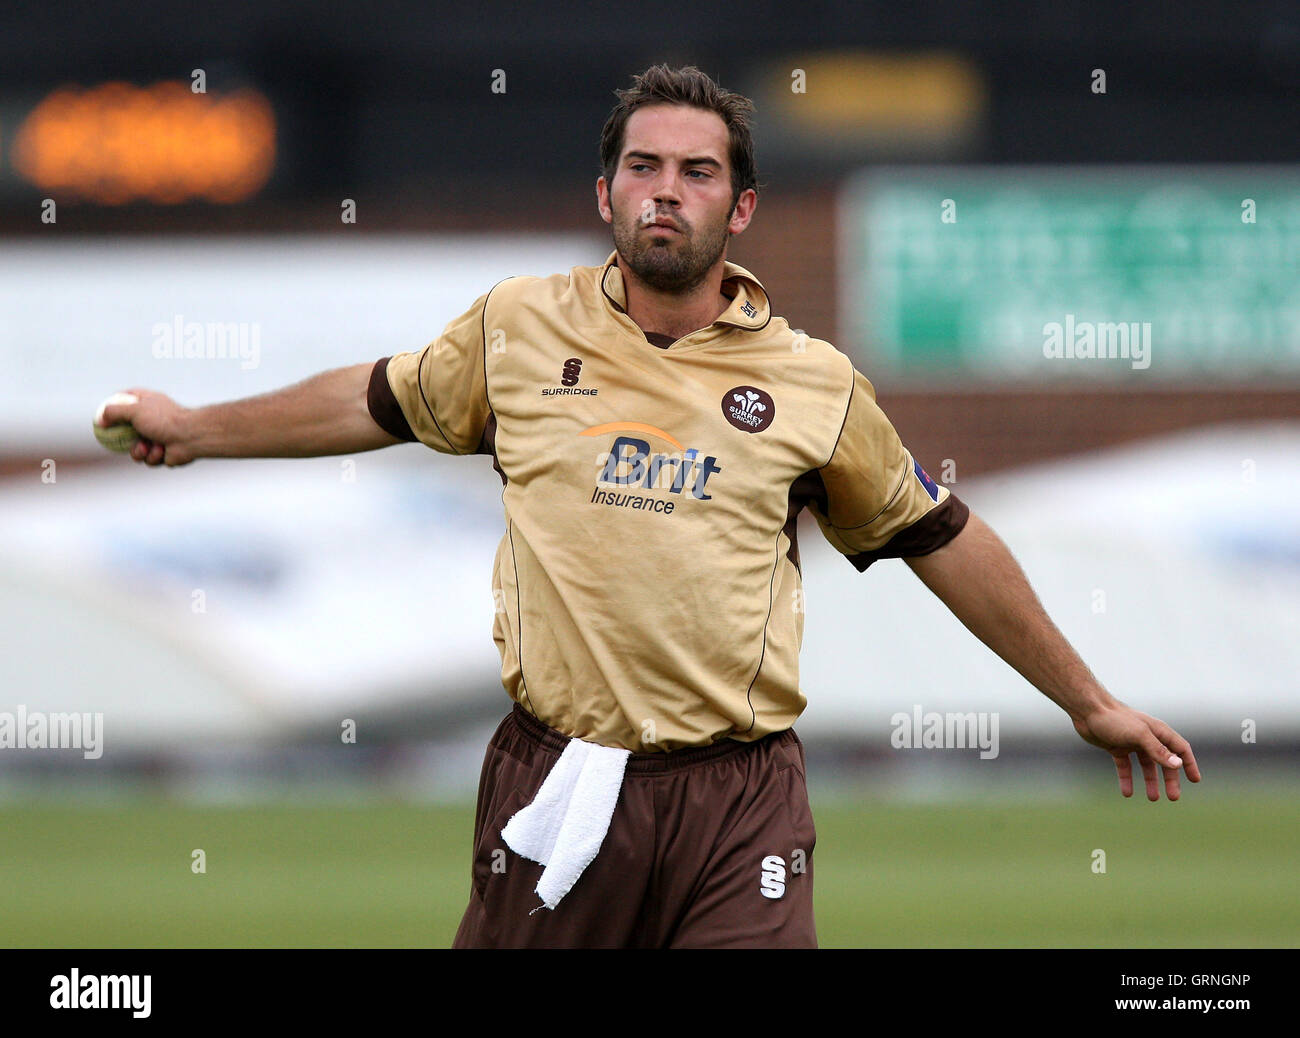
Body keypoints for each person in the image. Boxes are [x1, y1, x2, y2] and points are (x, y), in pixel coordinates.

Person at [100, 64, 1201, 948]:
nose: (664, 189)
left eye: (696, 171)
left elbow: (939, 538)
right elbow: (373, 399)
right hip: (559, 778)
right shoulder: (518, 330)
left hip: (741, 795)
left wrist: (1085, 699)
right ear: (604, 193)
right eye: (641, 167)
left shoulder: (811, 382)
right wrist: (197, 427)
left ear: (743, 203)